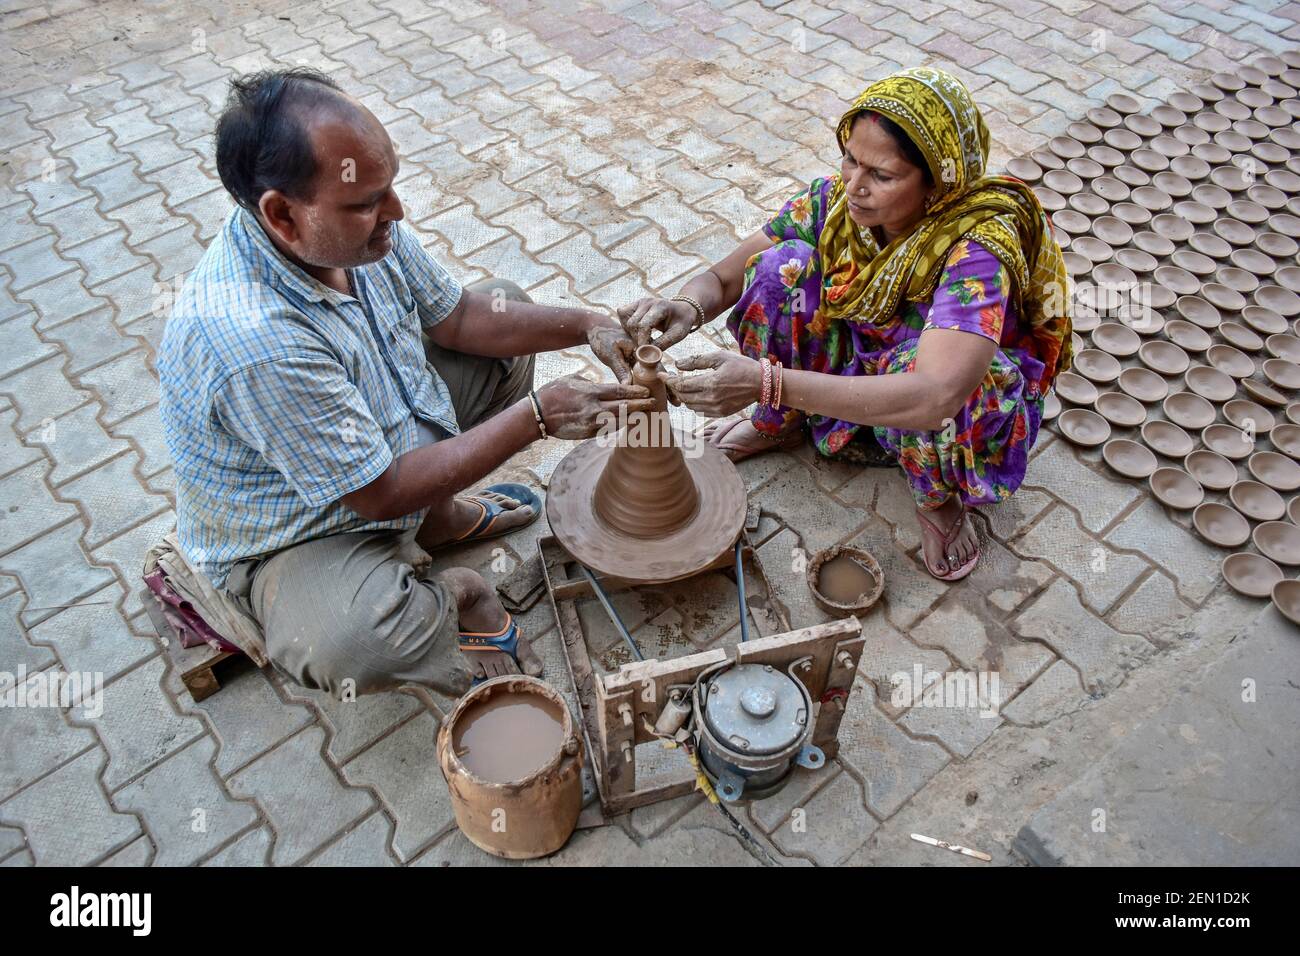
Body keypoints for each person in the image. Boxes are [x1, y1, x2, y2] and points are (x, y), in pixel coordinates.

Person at [158, 68, 650, 697]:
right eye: (367, 203)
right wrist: (539, 416)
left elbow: (464, 319)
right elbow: (378, 493)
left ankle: (439, 523)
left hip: (372, 443)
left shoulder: (352, 230)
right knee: (353, 643)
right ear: (282, 215)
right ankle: (457, 590)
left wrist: (588, 324)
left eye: (387, 189)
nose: (396, 212)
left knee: (505, 308)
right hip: (304, 528)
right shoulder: (252, 340)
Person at [621, 67, 1072, 582]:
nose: (854, 186)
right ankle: (783, 423)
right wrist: (686, 305)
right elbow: (725, 277)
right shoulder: (837, 201)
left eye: (881, 175)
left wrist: (765, 381)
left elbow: (934, 395)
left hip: (930, 390)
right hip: (862, 354)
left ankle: (938, 496)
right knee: (779, 271)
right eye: (850, 160)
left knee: (963, 385)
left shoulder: (977, 248)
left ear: (937, 183)